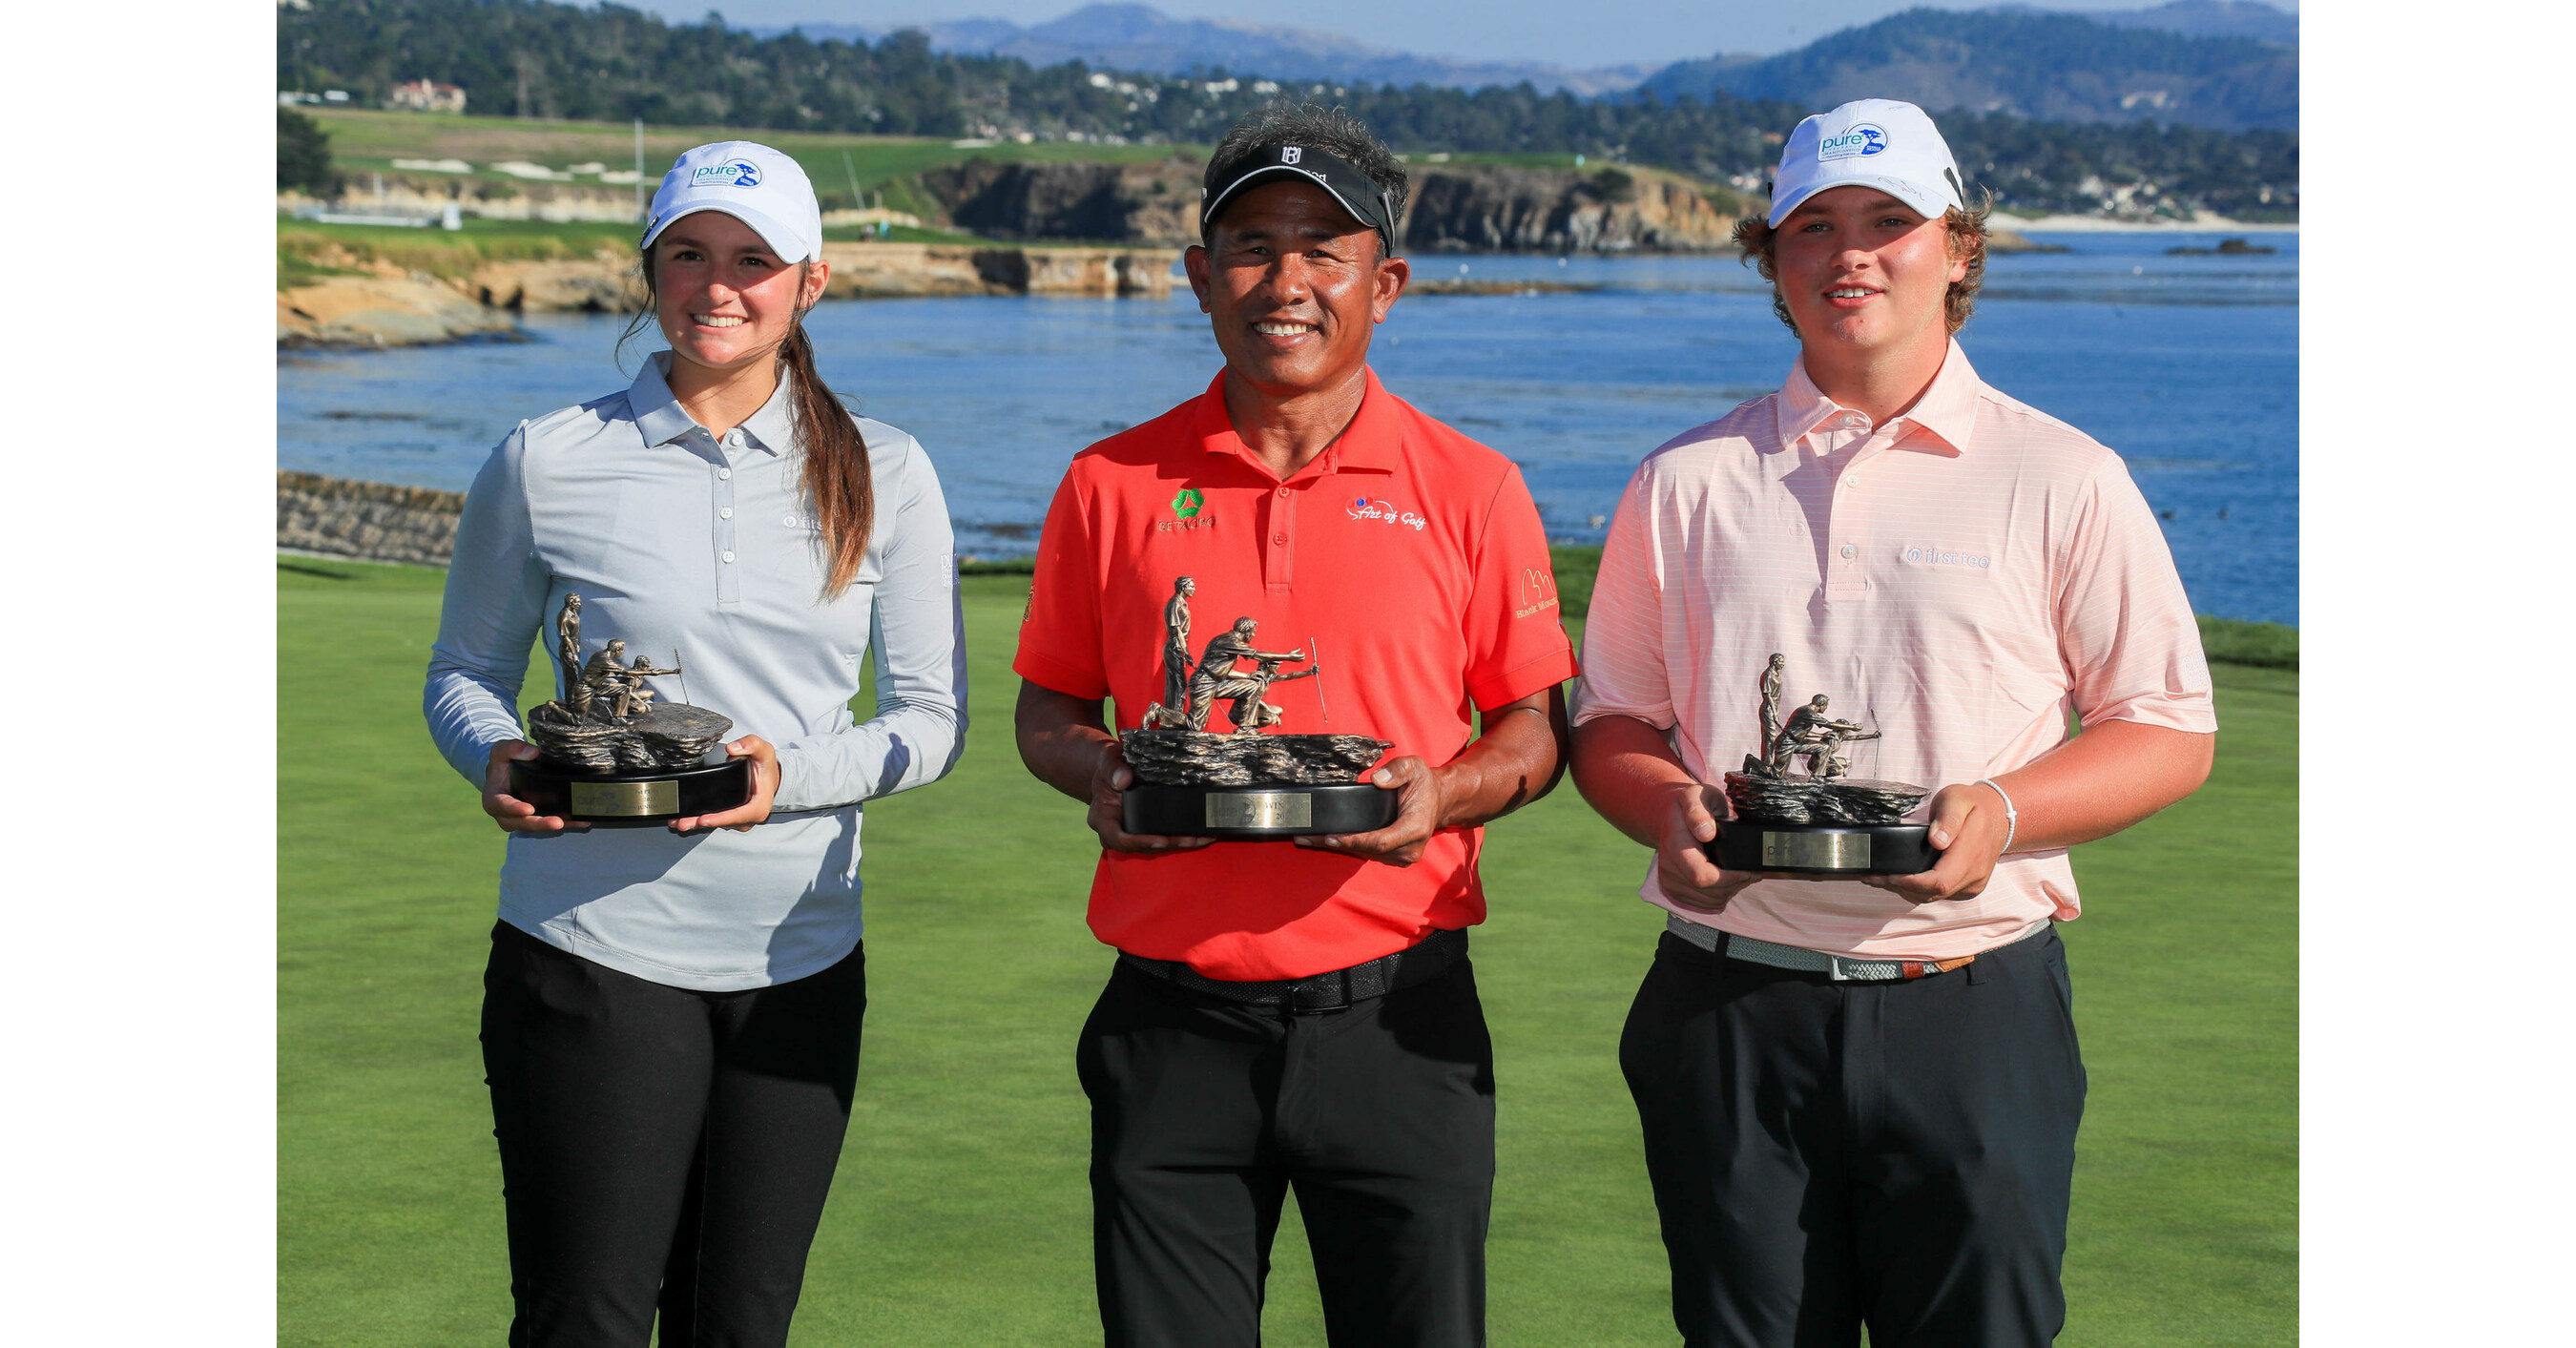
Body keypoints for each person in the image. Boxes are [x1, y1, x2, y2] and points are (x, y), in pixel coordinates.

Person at [1567, 99, 2217, 1347]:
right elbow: (1614, 722)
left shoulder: (2064, 474)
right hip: (1728, 1009)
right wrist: (1662, 804)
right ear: (1773, 253)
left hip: (1973, 1010)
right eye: (1814, 226)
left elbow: (2168, 727)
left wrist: (2009, 812)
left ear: (1958, 249)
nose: (1850, 254)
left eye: (1889, 223)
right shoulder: (1682, 481)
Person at [1011, 104, 1578, 1348]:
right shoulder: (1108, 485)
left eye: (1326, 250)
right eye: (1255, 247)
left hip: (1401, 1027)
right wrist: (1100, 773)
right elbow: (1047, 708)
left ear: (1388, 284)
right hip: (1173, 1031)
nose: (1289, 280)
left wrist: (1445, 792)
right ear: (1200, 279)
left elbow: (1532, 730)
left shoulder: (1473, 487)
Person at [423, 140, 966, 1348]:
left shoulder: (887, 472)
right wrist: (497, 755)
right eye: (690, 255)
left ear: (808, 284)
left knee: (745, 1327)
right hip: (589, 952)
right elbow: (467, 674)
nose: (718, 288)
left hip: (801, 967)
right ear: (651, 267)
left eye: (752, 262)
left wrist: (785, 779)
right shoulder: (548, 456)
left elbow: (930, 722)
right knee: (588, 1324)